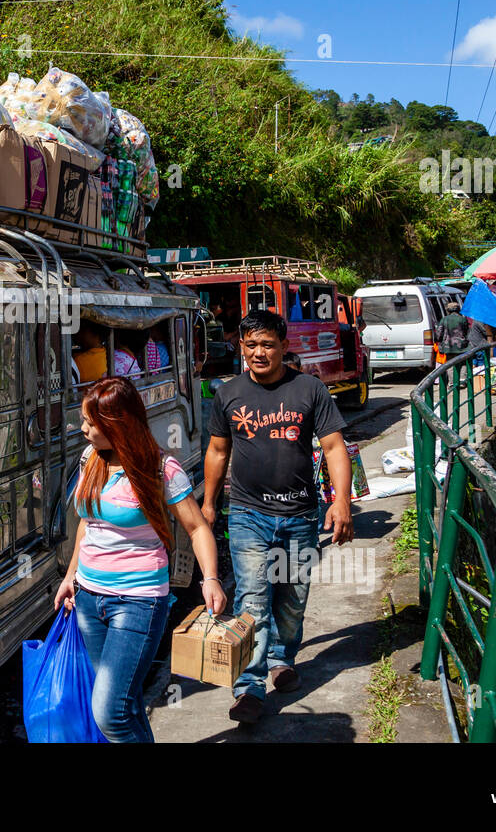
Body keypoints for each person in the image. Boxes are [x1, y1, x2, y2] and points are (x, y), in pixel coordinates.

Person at [201, 309, 354, 726]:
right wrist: (210, 502)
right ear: (241, 348)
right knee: (253, 601)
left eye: (267, 344)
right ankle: (248, 688)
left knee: (292, 598)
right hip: (249, 515)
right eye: (250, 345)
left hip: (301, 514)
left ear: (285, 346)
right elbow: (217, 452)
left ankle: (281, 659)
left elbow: (335, 446)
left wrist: (342, 501)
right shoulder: (229, 393)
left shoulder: (309, 389)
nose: (259, 353)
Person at [54, 377, 225, 742]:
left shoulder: (162, 468)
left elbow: (196, 528)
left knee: (109, 712)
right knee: (125, 704)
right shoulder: (91, 459)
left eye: (90, 422)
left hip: (138, 601)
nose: (82, 429)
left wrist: (210, 577)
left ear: (117, 424)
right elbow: (89, 523)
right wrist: (71, 576)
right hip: (88, 598)